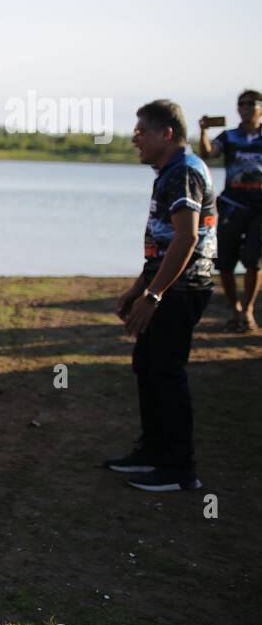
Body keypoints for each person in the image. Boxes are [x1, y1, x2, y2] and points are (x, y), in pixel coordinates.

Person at [106, 100, 216, 491]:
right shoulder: (171, 171)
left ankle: (179, 469)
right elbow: (166, 241)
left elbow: (187, 239)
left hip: (180, 290)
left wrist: (152, 296)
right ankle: (152, 452)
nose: (135, 138)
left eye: (141, 131)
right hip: (165, 286)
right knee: (148, 366)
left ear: (166, 133)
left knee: (167, 373)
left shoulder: (183, 172)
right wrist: (137, 288)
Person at [197, 89, 262, 331]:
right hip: (233, 206)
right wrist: (203, 131)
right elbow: (207, 153)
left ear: (260, 108)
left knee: (254, 261)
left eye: (251, 104)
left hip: (259, 209)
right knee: (224, 262)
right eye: (241, 104)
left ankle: (248, 310)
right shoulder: (229, 136)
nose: (245, 108)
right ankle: (233, 307)